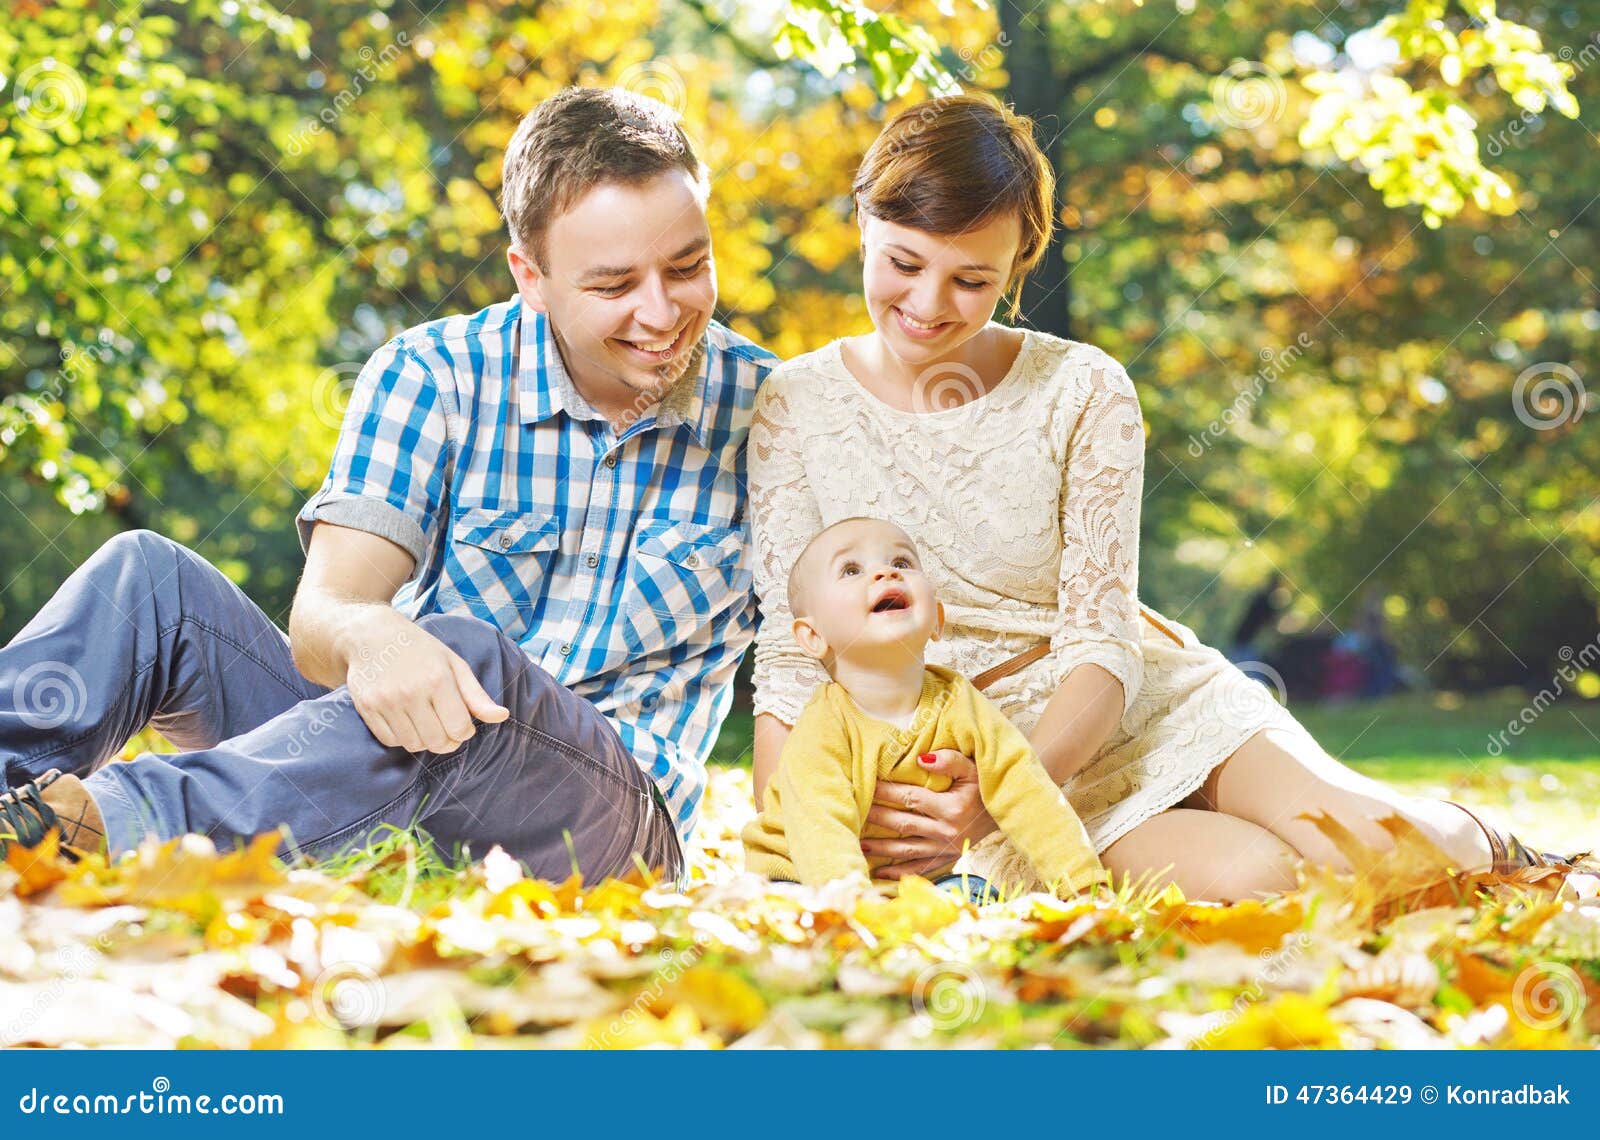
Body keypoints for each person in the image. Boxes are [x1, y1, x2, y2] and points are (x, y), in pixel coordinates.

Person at [747, 93, 1558, 902]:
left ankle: (1493, 844)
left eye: (971, 280)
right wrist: (803, 852)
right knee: (1278, 885)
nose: (927, 305)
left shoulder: (1081, 387)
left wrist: (997, 797)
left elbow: (1103, 639)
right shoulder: (796, 403)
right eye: (904, 263)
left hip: (1133, 711)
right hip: (985, 768)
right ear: (862, 219)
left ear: (1018, 265)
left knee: (1369, 850)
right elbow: (791, 658)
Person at [0, 87, 773, 883]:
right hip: (383, 766)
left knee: (470, 657)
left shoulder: (779, 415)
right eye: (614, 286)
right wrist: (375, 638)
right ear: (531, 277)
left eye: (688, 267)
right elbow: (326, 612)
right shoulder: (434, 373)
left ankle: (106, 829)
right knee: (146, 578)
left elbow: (835, 665)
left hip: (608, 833)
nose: (662, 311)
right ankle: (7, 810)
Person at [742, 517, 1107, 900]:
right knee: (782, 908)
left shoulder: (959, 702)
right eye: (851, 569)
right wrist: (852, 907)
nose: (885, 573)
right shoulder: (825, 724)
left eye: (901, 563)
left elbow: (1028, 790)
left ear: (937, 618)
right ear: (813, 636)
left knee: (978, 895)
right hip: (801, 876)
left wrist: (1083, 885)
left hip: (912, 884)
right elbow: (819, 825)